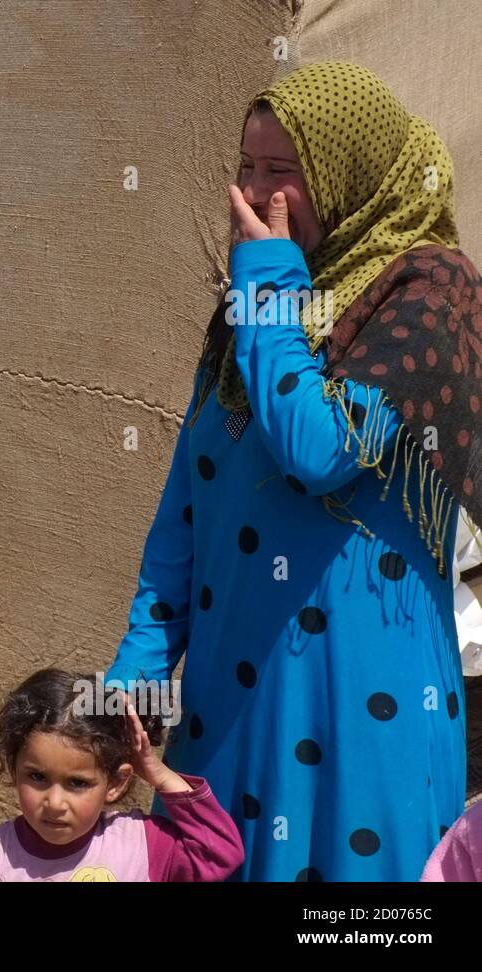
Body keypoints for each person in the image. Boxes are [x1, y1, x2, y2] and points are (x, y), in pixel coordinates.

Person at [105, 62, 478, 880]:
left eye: (282, 171)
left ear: (347, 171)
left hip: (361, 708)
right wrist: (138, 670)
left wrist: (270, 290)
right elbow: (187, 508)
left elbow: (319, 450)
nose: (255, 191)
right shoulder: (255, 304)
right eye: (246, 166)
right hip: (228, 711)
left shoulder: (429, 289)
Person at [0, 669, 243, 881]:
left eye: (77, 783)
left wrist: (159, 773)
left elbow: (219, 854)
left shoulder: (139, 845)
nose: (54, 802)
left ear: (114, 783)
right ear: (15, 769)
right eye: (37, 777)